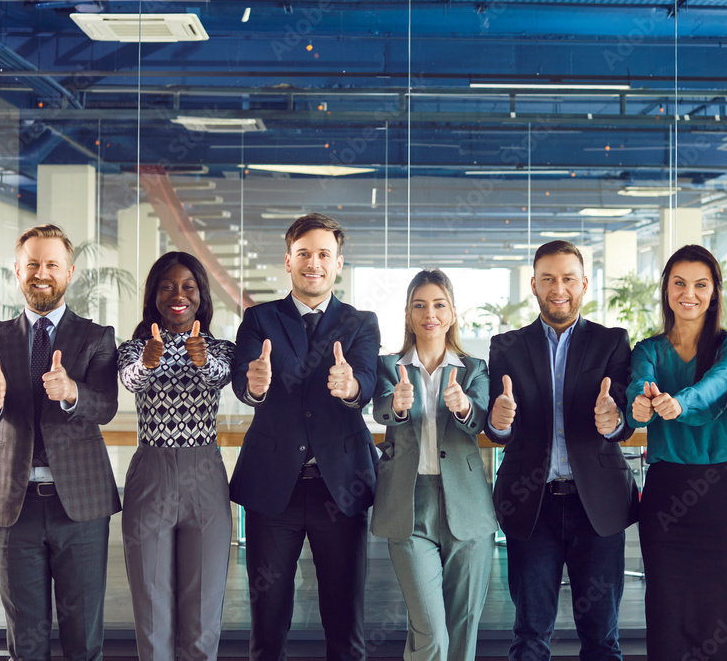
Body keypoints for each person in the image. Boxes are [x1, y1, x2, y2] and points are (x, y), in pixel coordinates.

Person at [230, 213, 381, 661]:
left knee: (345, 621)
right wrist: (255, 384)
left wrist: (350, 387)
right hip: (273, 488)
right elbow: (243, 379)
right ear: (288, 261)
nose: (313, 263)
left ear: (338, 264)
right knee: (268, 621)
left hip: (340, 488)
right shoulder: (259, 319)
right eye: (304, 254)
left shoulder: (361, 322)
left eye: (323, 255)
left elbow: (367, 378)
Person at [0, 224, 120, 661]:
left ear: (69, 272)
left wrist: (72, 393)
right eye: (32, 264)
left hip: (81, 506)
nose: (41, 273)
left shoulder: (97, 337)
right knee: (26, 641)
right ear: (18, 270)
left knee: (83, 639)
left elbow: (106, 406)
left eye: (52, 264)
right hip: (12, 507)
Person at [486, 240, 638, 661]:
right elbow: (499, 426)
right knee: (530, 635)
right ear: (533, 285)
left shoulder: (612, 342)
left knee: (602, 639)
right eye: (548, 279)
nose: (558, 289)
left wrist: (614, 419)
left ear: (584, 284)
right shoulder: (506, 346)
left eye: (568, 279)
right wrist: (499, 421)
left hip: (598, 508)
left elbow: (622, 418)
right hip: (531, 506)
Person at [626, 244, 727, 659]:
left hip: (723, 495)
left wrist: (678, 404)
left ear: (714, 292)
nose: (689, 293)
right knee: (667, 619)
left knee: (723, 618)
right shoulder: (647, 349)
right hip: (666, 496)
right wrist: (639, 404)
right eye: (679, 283)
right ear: (666, 290)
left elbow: (719, 384)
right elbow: (639, 385)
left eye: (701, 285)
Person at [371, 269, 496, 661]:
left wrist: (464, 407)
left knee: (462, 629)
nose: (430, 314)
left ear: (453, 313)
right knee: (430, 632)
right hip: (409, 506)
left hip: (467, 507)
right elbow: (380, 409)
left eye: (439, 305)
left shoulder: (474, 368)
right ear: (408, 315)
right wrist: (397, 404)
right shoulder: (388, 366)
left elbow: (481, 419)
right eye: (419, 305)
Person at [117, 251, 235, 661]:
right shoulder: (133, 348)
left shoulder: (221, 349)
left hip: (205, 474)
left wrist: (201, 359)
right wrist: (148, 361)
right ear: (154, 295)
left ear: (202, 295)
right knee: (151, 606)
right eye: (167, 286)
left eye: (189, 286)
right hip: (151, 474)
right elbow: (131, 379)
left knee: (204, 607)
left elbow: (221, 375)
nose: (178, 295)